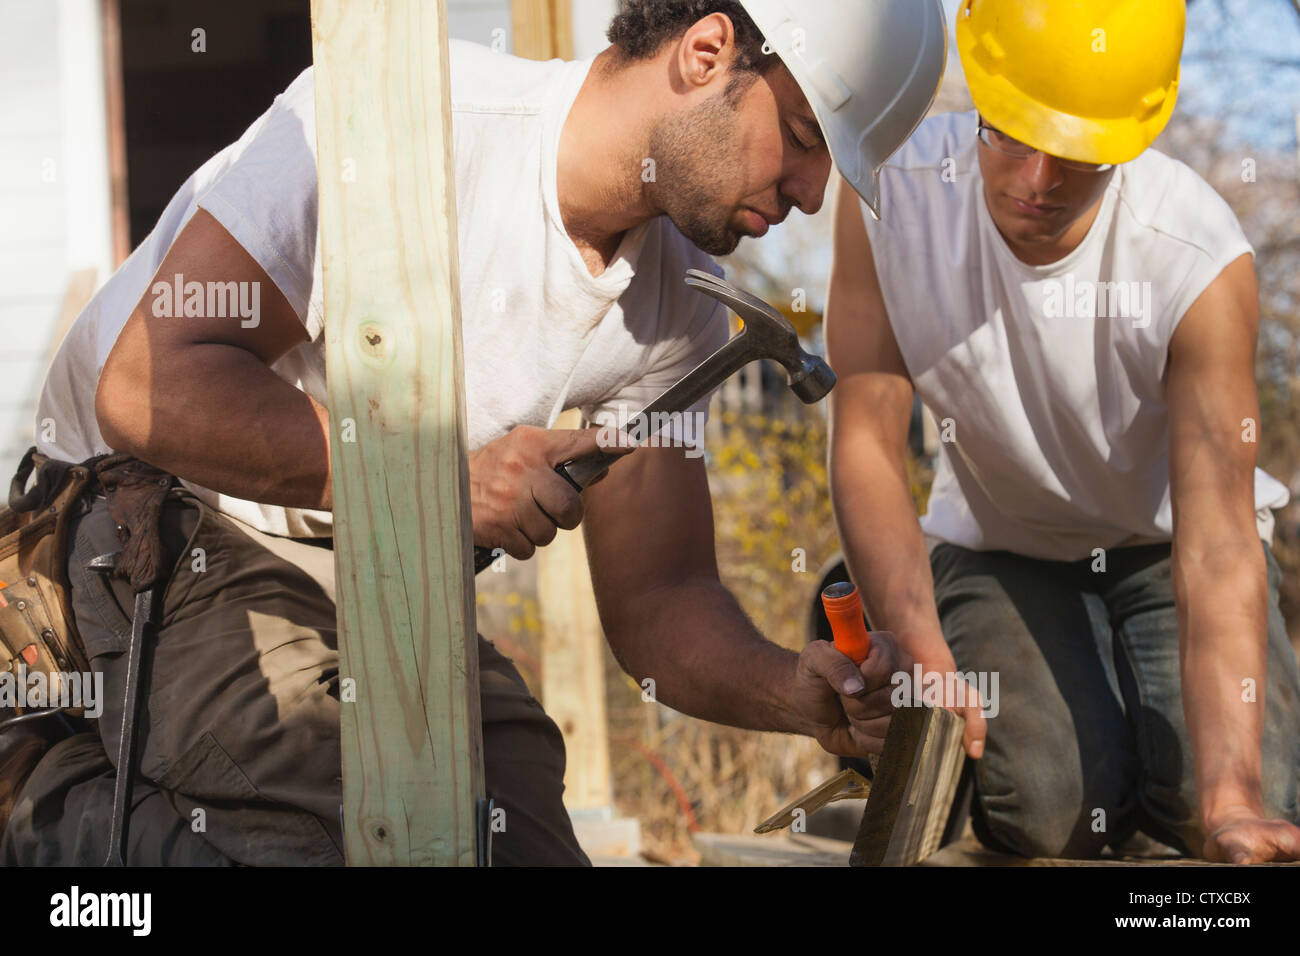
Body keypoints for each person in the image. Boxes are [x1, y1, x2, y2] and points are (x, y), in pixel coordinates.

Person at [0, 1, 947, 865]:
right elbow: (146, 385)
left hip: (360, 551)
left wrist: (794, 692)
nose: (815, 195)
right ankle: (46, 800)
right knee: (358, 828)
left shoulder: (679, 315)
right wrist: (433, 484)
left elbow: (661, 596)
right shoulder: (403, 122)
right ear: (707, 54)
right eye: (802, 138)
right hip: (144, 509)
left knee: (504, 829)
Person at [826, 0, 1300, 863]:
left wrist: (1234, 800)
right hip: (1000, 550)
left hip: (1167, 550)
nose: (1035, 180)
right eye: (1007, 132)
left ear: (1129, 135)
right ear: (979, 92)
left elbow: (1222, 543)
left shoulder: (1195, 257)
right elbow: (865, 436)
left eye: (1076, 153)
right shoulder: (887, 197)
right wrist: (918, 640)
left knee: (1218, 808)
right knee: (1051, 811)